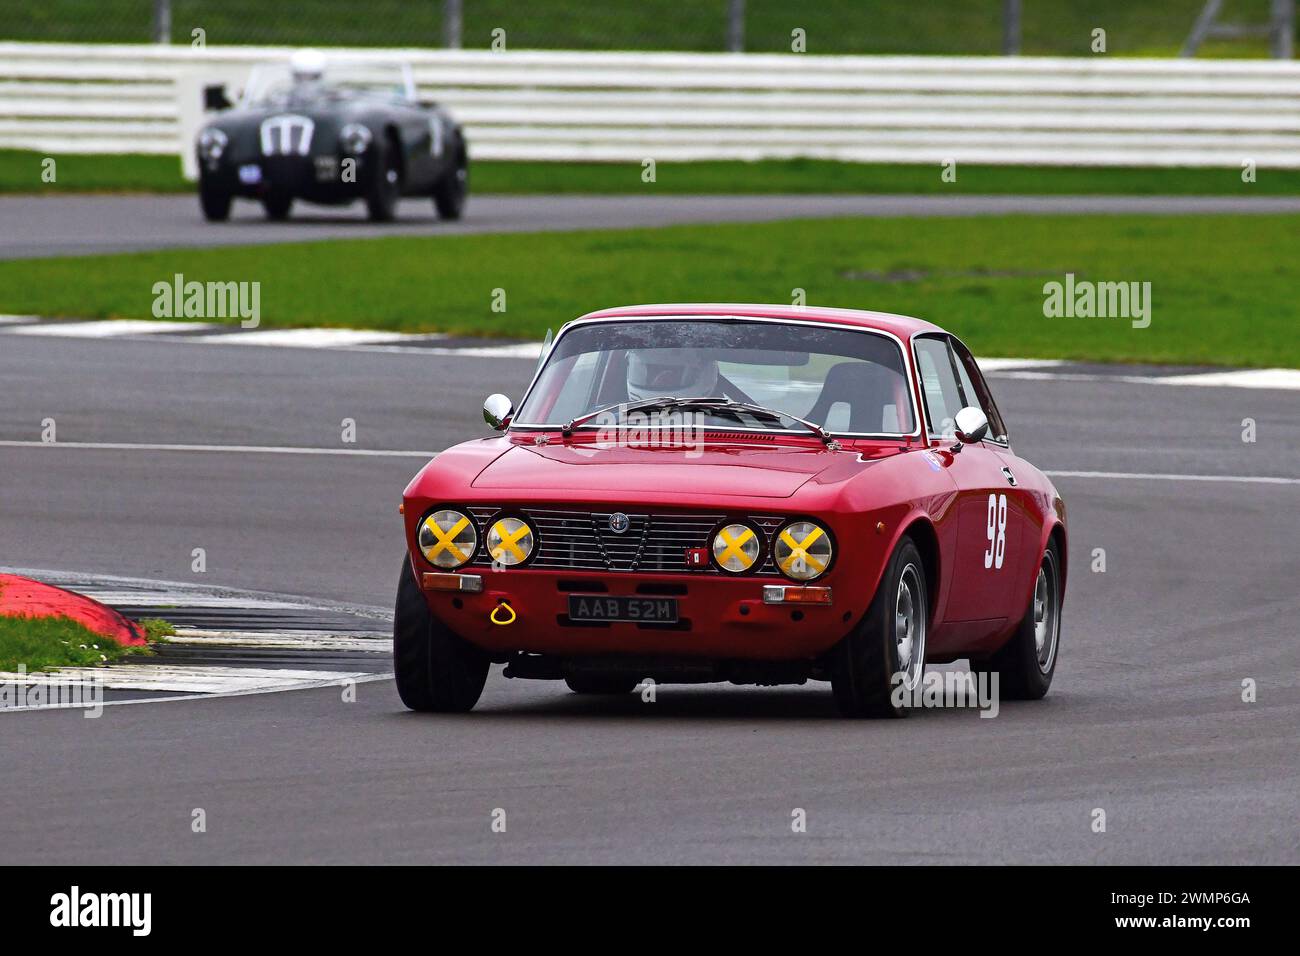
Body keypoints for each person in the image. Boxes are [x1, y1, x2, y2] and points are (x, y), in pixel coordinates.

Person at [625, 349, 721, 402]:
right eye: (653, 371)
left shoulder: (724, 427)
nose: (662, 377)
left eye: (674, 371)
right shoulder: (616, 421)